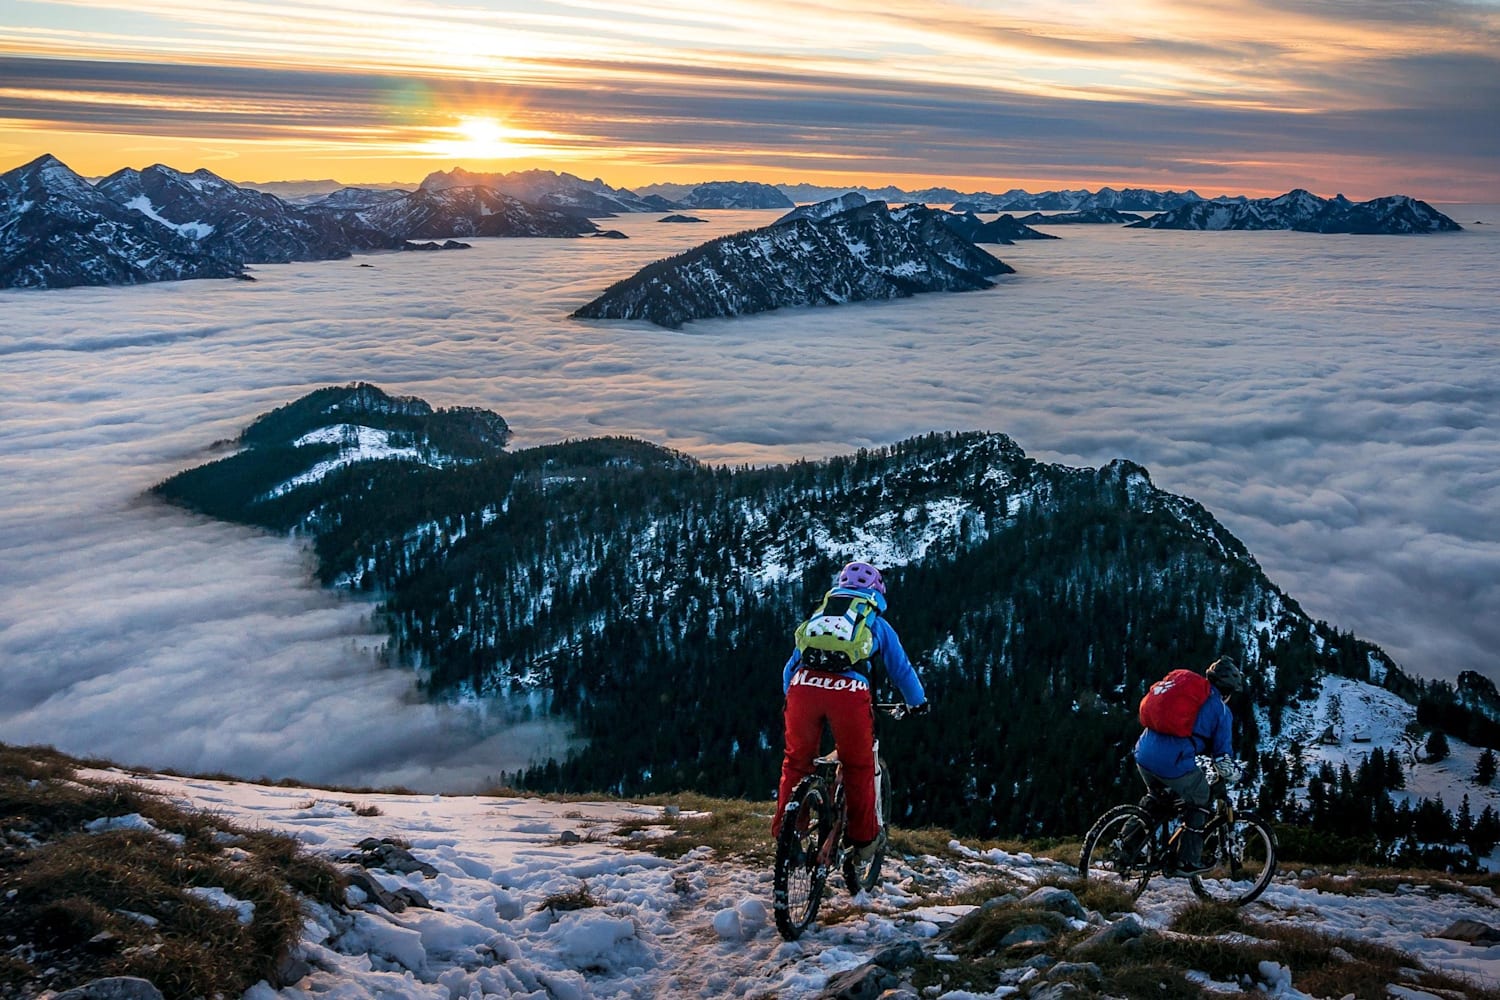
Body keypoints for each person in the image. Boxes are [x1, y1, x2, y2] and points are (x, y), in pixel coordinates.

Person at [773, 561, 928, 861]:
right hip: (849, 694)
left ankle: (788, 834)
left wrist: (790, 696)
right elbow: (901, 669)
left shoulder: (820, 615)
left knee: (796, 763)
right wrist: (917, 702)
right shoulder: (875, 623)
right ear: (877, 591)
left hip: (802, 688)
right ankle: (864, 841)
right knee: (858, 766)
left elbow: (792, 664)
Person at [1133, 656, 1244, 875]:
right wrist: (1239, 776)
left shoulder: (1191, 693)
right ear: (1228, 690)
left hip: (1143, 751)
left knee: (1159, 799)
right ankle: (1186, 861)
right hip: (1171, 761)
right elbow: (1223, 760)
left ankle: (1125, 847)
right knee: (1201, 797)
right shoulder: (1221, 710)